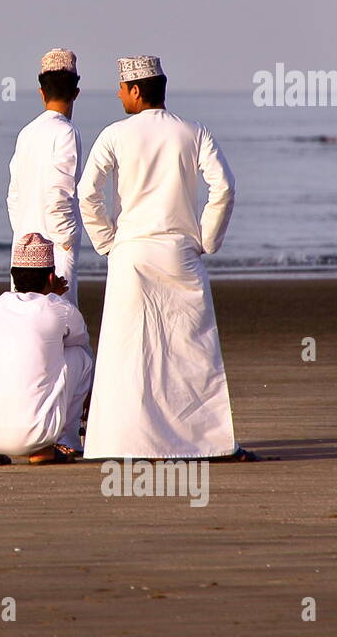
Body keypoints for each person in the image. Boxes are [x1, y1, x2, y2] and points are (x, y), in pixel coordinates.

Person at [77, 55, 257, 461]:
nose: (118, 93)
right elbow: (224, 187)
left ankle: (119, 445)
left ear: (136, 90)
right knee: (191, 352)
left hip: (131, 255)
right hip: (180, 251)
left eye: (121, 87)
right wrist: (205, 239)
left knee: (128, 354)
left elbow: (87, 192)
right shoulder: (194, 132)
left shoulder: (114, 134)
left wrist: (108, 241)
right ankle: (206, 444)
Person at [0, 233, 94, 465]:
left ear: (13, 276)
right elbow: (78, 339)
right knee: (79, 357)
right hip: (34, 434)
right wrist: (53, 299)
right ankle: (46, 448)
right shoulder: (59, 308)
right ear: (51, 277)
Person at [7, 48, 82, 305]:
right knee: (61, 322)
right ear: (75, 93)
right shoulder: (65, 132)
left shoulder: (26, 132)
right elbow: (60, 192)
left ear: (42, 93)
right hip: (55, 248)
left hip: (24, 249)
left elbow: (13, 196)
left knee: (25, 318)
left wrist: (23, 237)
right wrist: (66, 242)